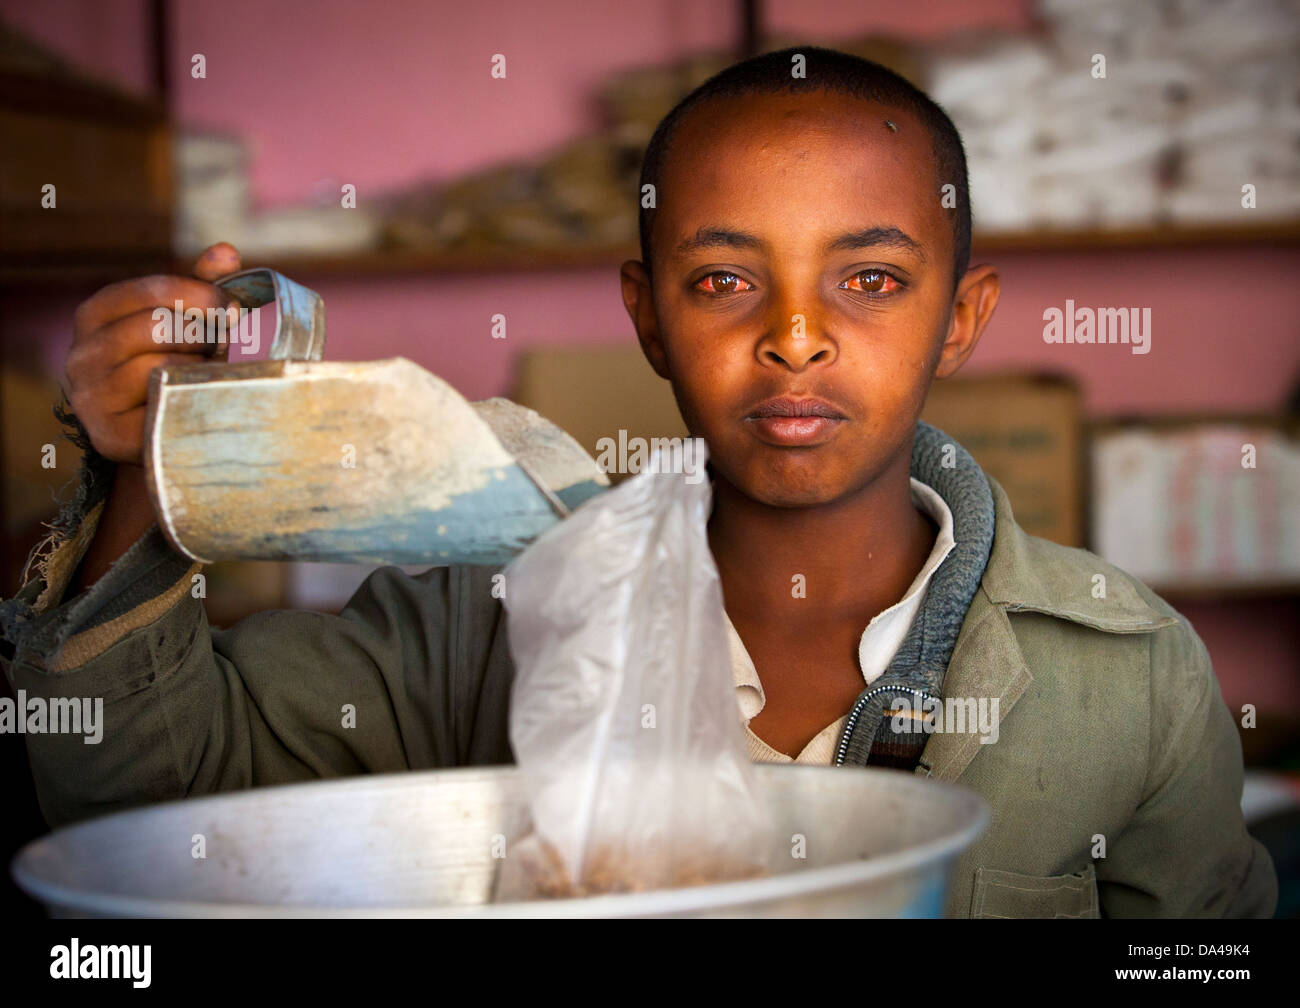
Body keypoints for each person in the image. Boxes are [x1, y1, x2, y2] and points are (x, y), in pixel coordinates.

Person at [0, 46, 1276, 918]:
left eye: (871, 280)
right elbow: (151, 805)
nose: (794, 336)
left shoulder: (1129, 672)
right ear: (649, 316)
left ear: (960, 317)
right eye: (723, 279)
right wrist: (144, 473)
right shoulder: (476, 622)